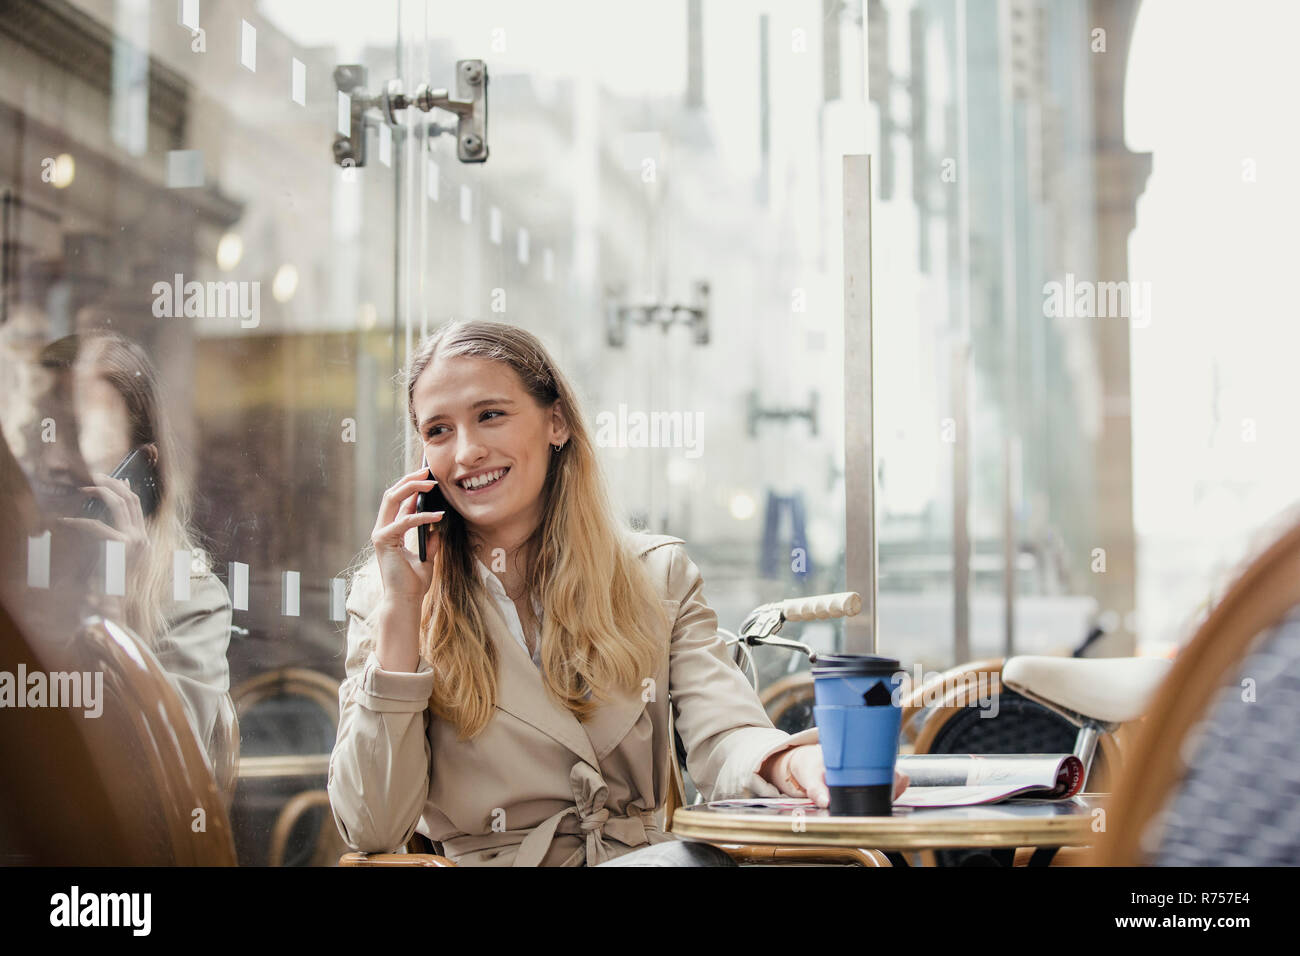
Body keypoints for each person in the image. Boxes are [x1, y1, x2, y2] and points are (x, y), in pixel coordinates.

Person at [328, 319, 907, 866]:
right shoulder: (390, 594)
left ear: (556, 423)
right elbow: (372, 827)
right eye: (438, 430)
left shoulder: (658, 575)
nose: (465, 452)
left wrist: (791, 762)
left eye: (490, 415)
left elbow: (724, 736)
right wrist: (402, 614)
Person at [3, 324, 233, 766]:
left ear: (140, 466)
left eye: (78, 435)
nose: (52, 460)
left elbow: (166, 782)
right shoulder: (19, 568)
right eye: (43, 430)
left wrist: (114, 617)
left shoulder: (190, 598)